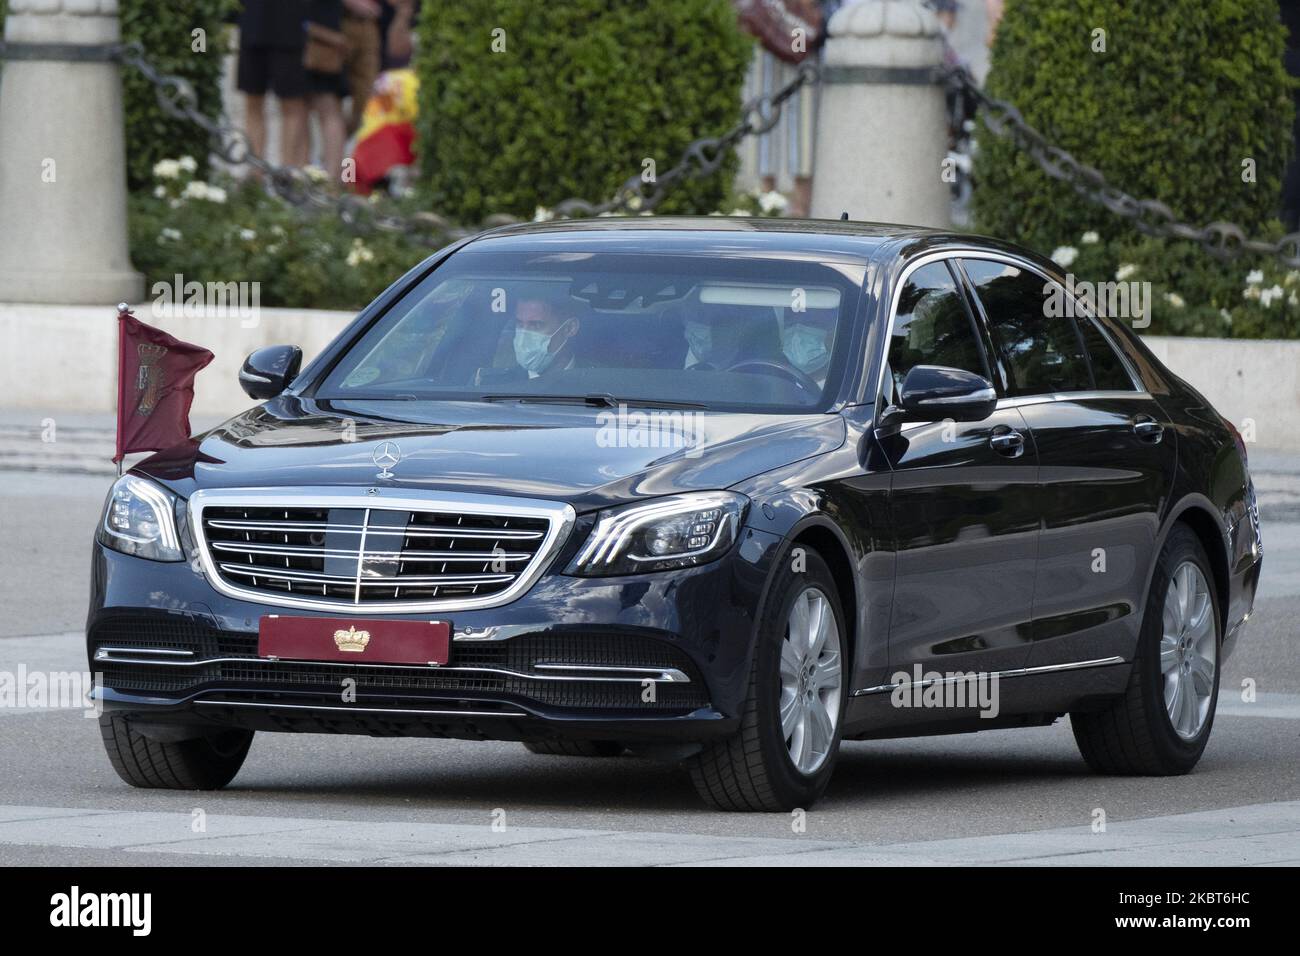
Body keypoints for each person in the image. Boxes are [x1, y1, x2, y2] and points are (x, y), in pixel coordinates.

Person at [237, 0, 311, 168]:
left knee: (292, 104)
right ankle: (255, 171)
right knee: (253, 101)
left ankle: (288, 172)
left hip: (291, 28)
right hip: (252, 26)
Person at [474, 294, 583, 386]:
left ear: (570, 328)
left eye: (536, 325)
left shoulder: (595, 383)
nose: (523, 336)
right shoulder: (491, 385)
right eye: (519, 324)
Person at [304, 0, 350, 181]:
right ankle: (310, 173)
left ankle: (332, 177)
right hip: (311, 36)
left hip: (322, 40)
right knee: (300, 110)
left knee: (329, 110)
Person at [342, 0, 384, 135]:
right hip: (339, 21)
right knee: (330, 94)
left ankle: (350, 139)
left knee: (367, 90)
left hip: (370, 21)